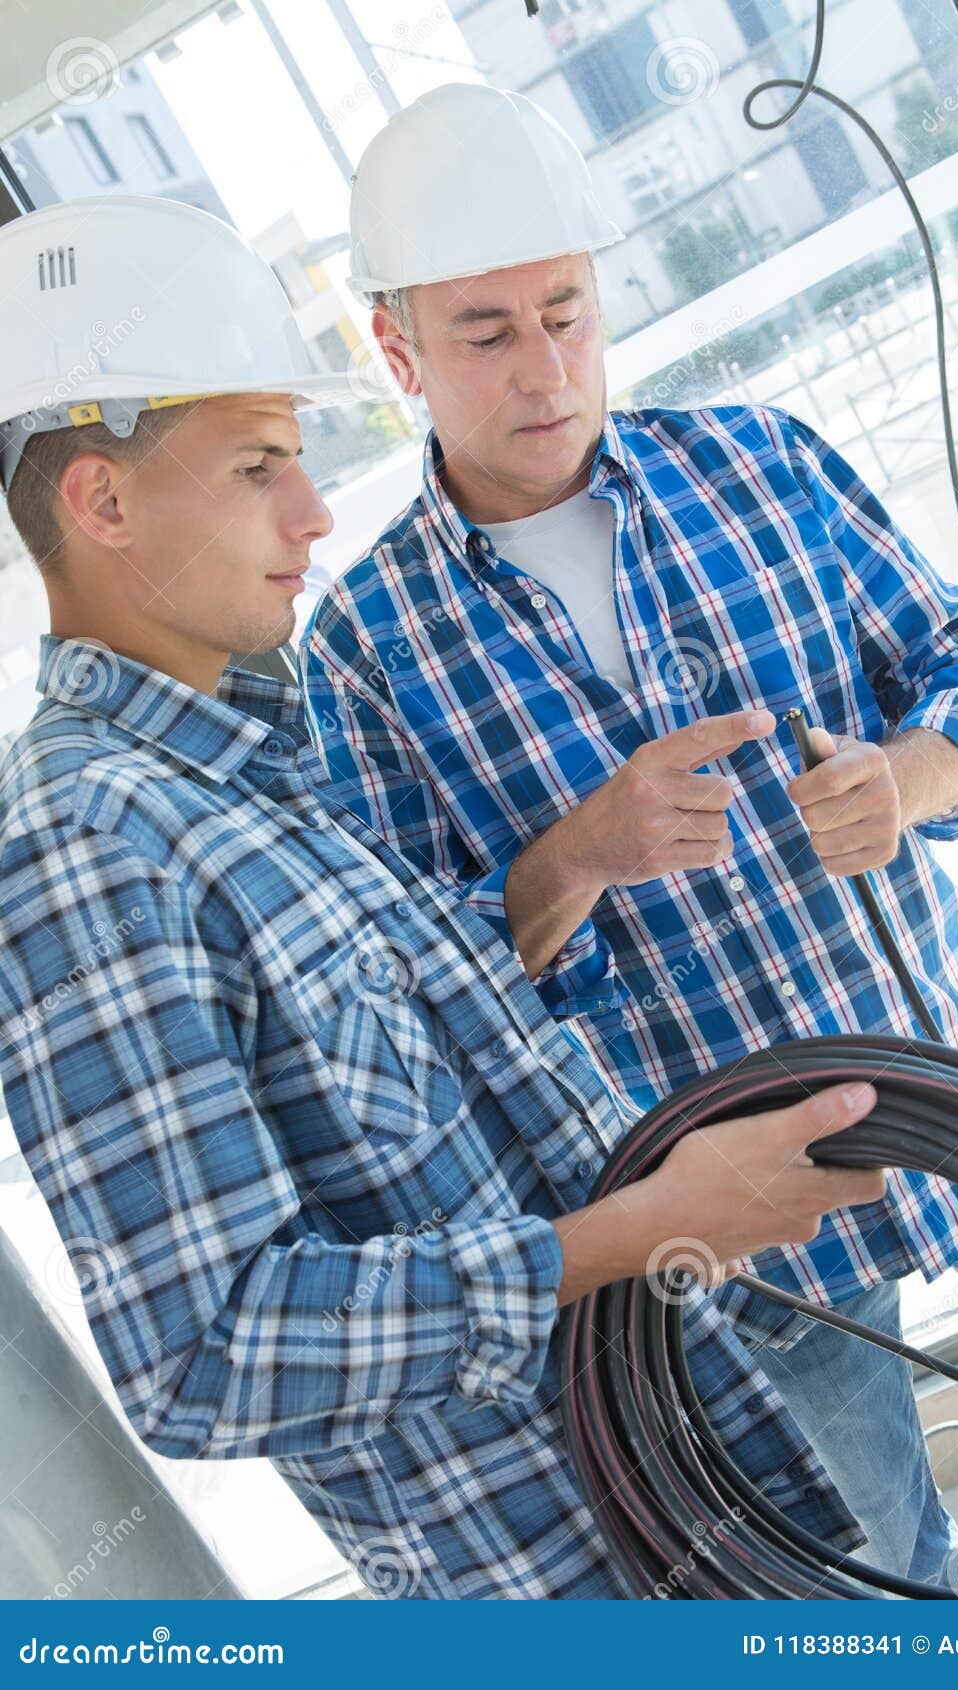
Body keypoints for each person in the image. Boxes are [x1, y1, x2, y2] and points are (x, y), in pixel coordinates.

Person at [0, 194, 887, 1602]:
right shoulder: (86, 846)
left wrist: (581, 861)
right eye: (256, 470)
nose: (315, 509)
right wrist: (638, 1232)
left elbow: (415, 1035)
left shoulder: (243, 773)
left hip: (690, 1505)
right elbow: (202, 1346)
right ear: (100, 502)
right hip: (570, 1571)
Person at [300, 81, 958, 1589]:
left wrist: (913, 775)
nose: (548, 366)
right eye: (487, 332)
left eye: (567, 311)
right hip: (740, 1232)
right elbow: (406, 1008)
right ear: (396, 349)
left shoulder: (762, 467)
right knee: (873, 1593)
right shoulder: (366, 652)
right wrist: (578, 851)